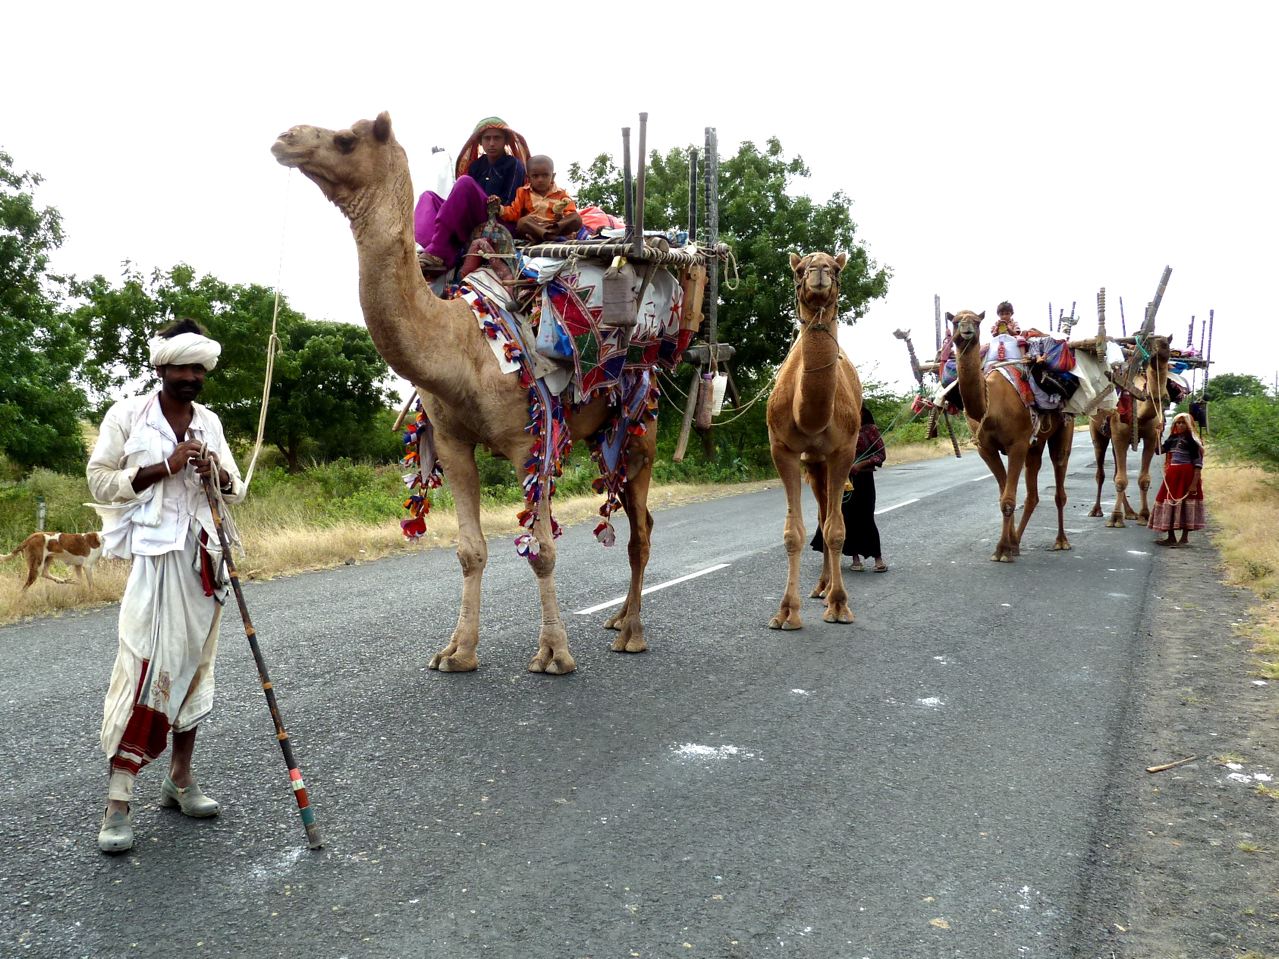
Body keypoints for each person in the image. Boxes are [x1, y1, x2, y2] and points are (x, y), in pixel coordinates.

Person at [86, 318, 245, 854]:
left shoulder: (211, 422)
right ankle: (117, 802)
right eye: (181, 366)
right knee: (144, 669)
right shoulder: (128, 415)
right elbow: (100, 479)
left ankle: (179, 780)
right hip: (154, 565)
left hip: (205, 562)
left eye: (199, 368)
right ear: (161, 366)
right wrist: (164, 466)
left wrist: (214, 473)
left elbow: (236, 489)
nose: (191, 376)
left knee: (195, 667)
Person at [415, 117, 531, 273]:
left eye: (497, 138)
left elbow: (510, 204)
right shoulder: (476, 165)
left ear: (505, 141)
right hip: (475, 217)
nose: (491, 143)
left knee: (464, 183)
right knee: (428, 197)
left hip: (500, 219)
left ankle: (438, 251)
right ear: (480, 142)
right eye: (487, 138)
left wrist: (494, 203)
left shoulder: (514, 165)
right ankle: (430, 248)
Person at [809, 405, 889, 572]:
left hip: (864, 479)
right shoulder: (840, 430)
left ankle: (878, 558)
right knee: (848, 517)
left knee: (866, 516)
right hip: (842, 479)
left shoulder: (870, 430)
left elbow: (881, 455)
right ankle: (855, 558)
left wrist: (860, 465)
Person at [1149, 412, 1206, 547]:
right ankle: (1171, 537)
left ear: (1188, 425)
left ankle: (1184, 538)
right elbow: (1159, 451)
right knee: (1167, 501)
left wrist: (1193, 484)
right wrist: (1157, 434)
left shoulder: (1193, 441)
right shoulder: (1173, 438)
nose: (1180, 425)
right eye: (1178, 423)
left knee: (1186, 504)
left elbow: (1198, 464)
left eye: (1183, 423)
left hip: (1187, 475)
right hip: (1172, 475)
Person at [499, 154, 583, 242]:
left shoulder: (561, 194)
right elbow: (514, 212)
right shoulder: (523, 192)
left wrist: (560, 215)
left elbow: (570, 212)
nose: (540, 180)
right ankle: (550, 237)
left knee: (576, 218)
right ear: (528, 178)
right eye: (535, 176)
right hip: (535, 227)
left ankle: (548, 236)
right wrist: (499, 208)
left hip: (556, 227)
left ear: (553, 177)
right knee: (522, 222)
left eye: (545, 175)